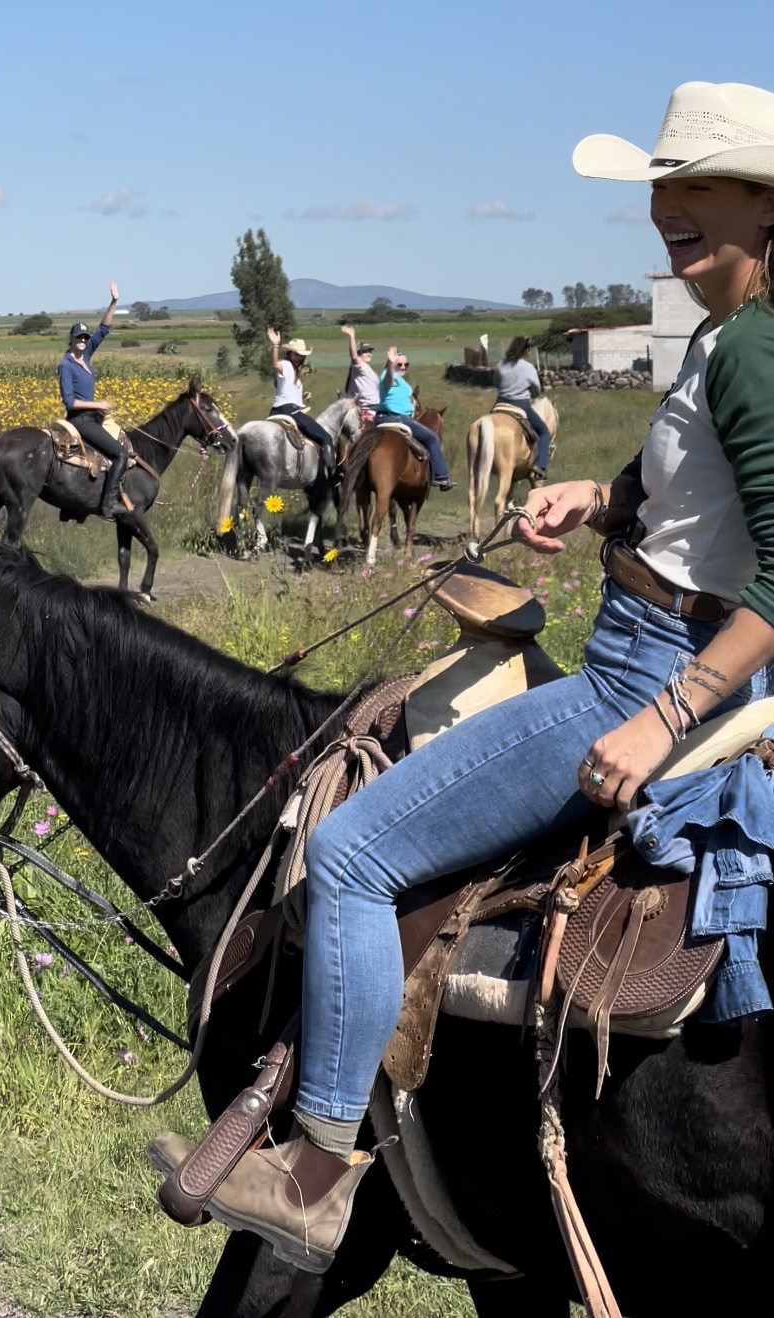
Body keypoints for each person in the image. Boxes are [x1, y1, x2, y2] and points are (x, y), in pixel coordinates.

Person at [155, 79, 774, 1272]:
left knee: (348, 853)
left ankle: (320, 1172)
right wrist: (595, 497)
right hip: (648, 637)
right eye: (659, 188)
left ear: (763, 204)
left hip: (640, 675)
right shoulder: (716, 333)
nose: (665, 209)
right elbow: (707, 513)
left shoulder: (747, 346)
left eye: (695, 188)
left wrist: (659, 721)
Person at [57, 281, 124, 518]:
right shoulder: (66, 365)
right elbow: (70, 402)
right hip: (80, 420)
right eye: (79, 338)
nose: (83, 341)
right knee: (121, 455)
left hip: (92, 418)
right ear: (71, 340)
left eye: (85, 337)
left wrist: (113, 302)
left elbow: (103, 330)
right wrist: (99, 405)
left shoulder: (86, 355)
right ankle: (108, 505)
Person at [375, 346, 454, 490]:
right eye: (400, 364)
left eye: (406, 364)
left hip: (385, 417)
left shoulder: (399, 379)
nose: (403, 367)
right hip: (396, 418)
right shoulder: (388, 374)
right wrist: (392, 365)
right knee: (432, 439)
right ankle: (441, 476)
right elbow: (388, 380)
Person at [267, 328, 338, 476]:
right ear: (290, 354)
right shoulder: (286, 365)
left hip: (278, 409)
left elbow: (285, 391)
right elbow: (275, 364)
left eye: (300, 355)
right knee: (326, 438)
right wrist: (275, 345)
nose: (298, 357)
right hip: (289, 411)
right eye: (296, 354)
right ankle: (331, 475)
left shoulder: (294, 371)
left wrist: (302, 396)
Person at [495, 335, 552, 478]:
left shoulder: (501, 365)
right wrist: (532, 393)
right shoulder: (528, 367)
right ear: (525, 350)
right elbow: (536, 389)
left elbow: (496, 382)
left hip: (499, 403)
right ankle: (540, 466)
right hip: (520, 405)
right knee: (544, 433)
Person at [340, 325, 380, 420]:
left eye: (370, 351)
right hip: (365, 409)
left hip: (375, 407)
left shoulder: (367, 368)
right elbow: (353, 357)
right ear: (358, 354)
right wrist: (352, 336)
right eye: (364, 351)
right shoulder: (358, 366)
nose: (369, 353)